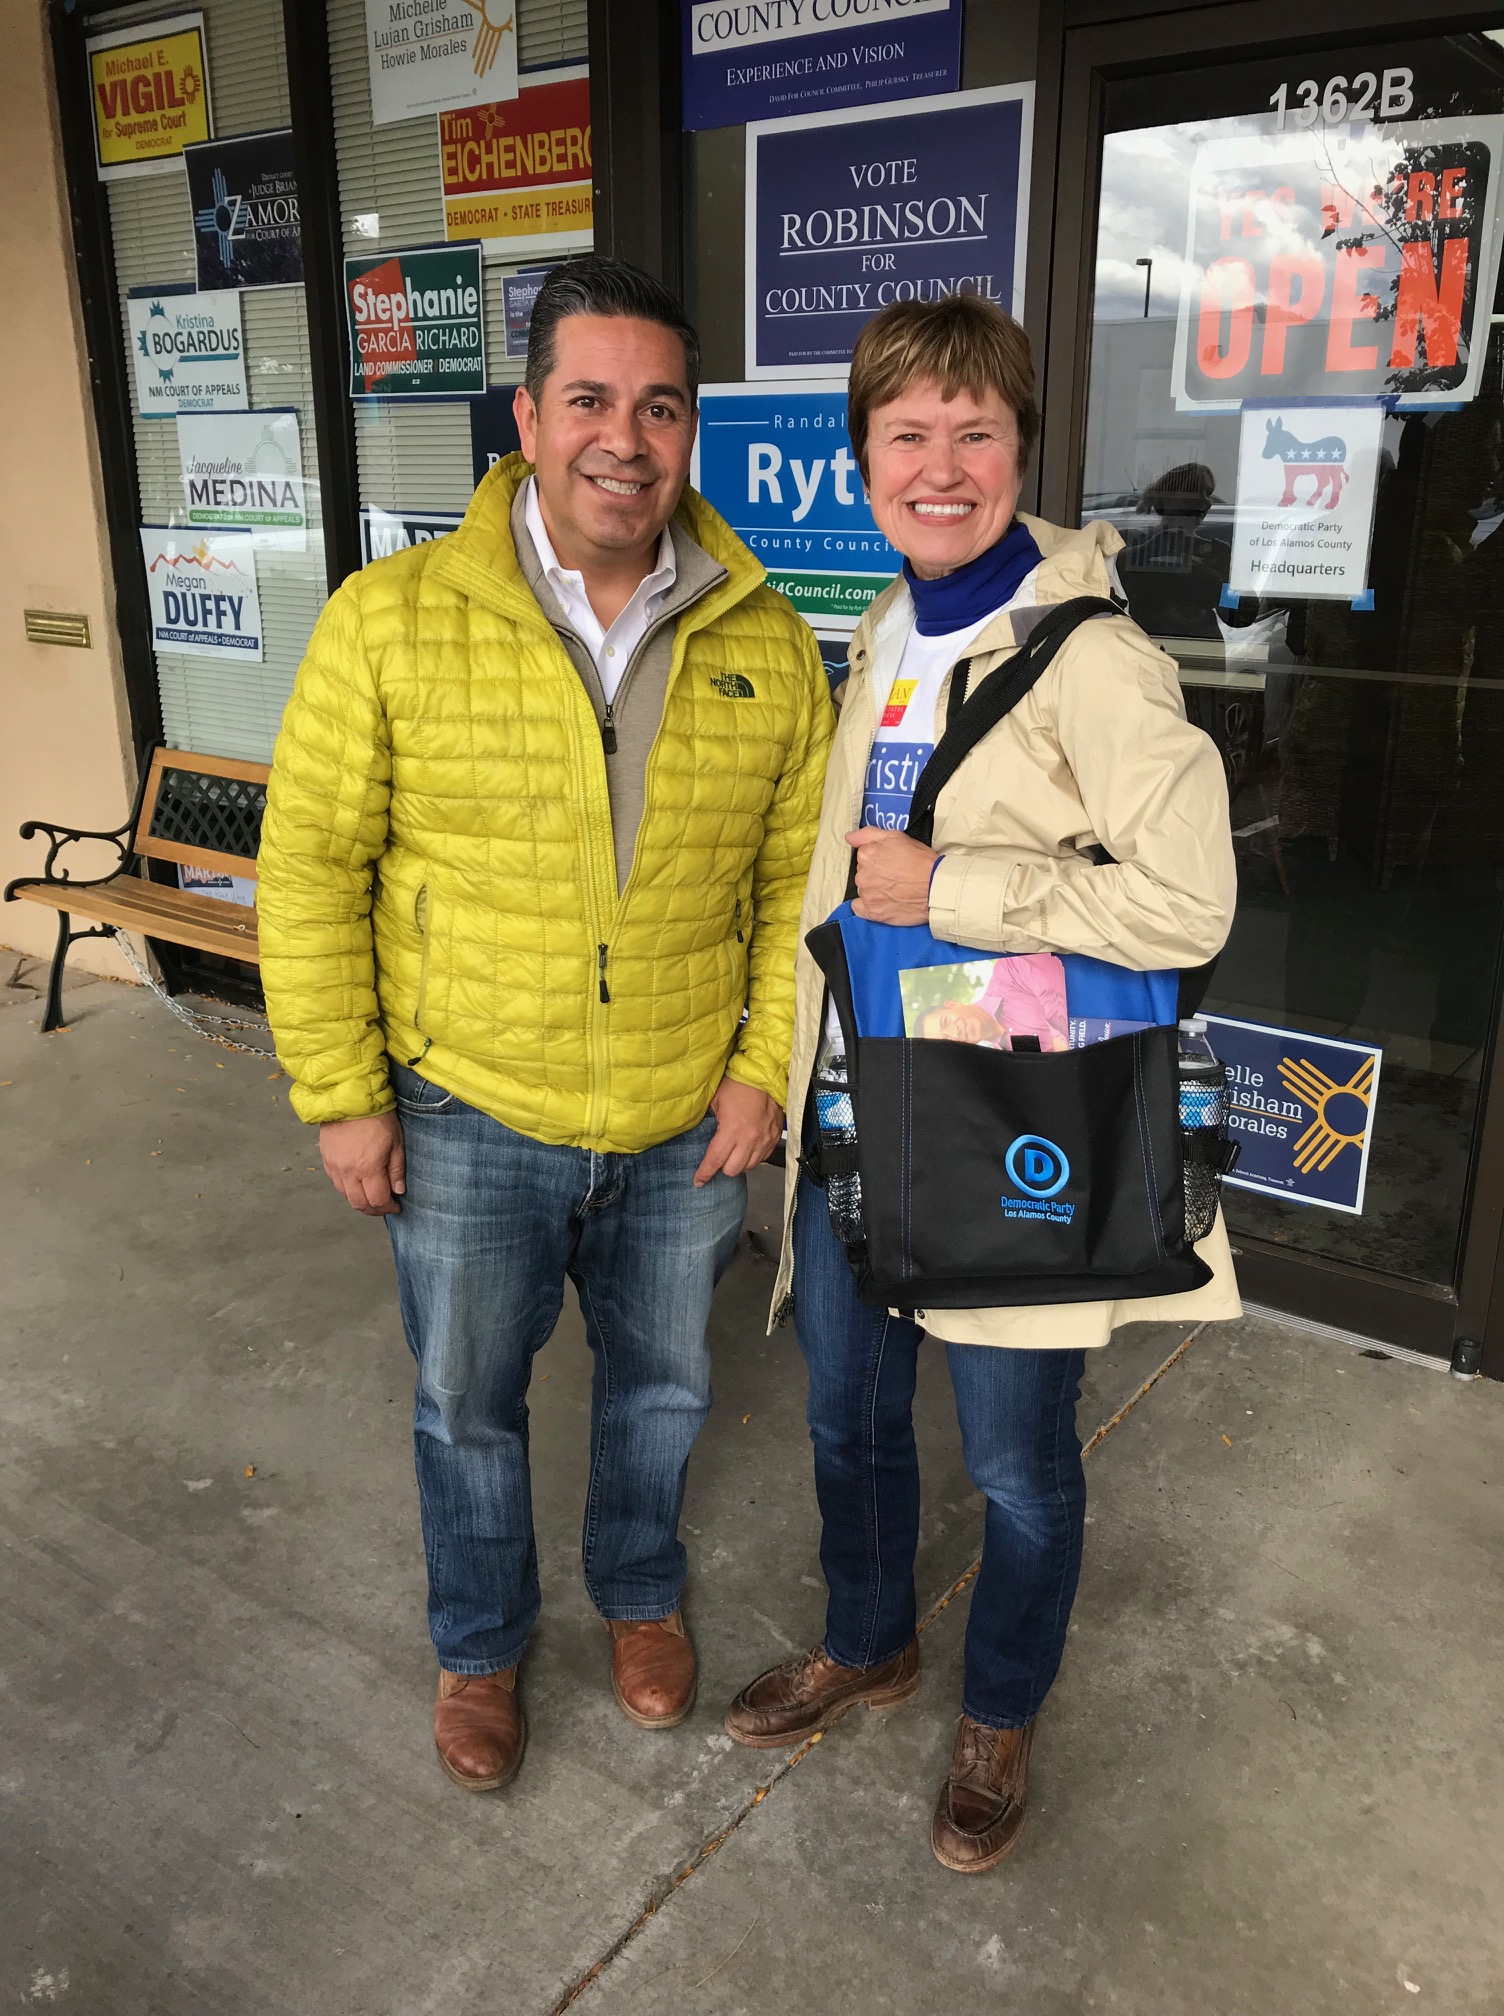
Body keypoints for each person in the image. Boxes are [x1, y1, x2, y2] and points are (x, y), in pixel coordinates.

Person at [257, 256, 833, 1793]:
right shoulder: (394, 622)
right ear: (528, 414)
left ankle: (638, 1593)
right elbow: (312, 862)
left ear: (691, 427)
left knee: (664, 1389)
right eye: (589, 399)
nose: (623, 440)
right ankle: (481, 1640)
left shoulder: (764, 641)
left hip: (674, 1115)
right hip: (465, 1106)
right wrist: (343, 1090)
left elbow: (795, 888)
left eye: (658, 406)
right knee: (466, 1405)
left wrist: (763, 1065)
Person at [723, 296, 1239, 1871]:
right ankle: (871, 1641)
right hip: (857, 1117)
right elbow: (831, 885)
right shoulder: (885, 630)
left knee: (1017, 1466)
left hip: (1016, 1128)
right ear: (865, 451)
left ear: (1022, 450)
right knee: (849, 1421)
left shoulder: (1094, 657)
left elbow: (1191, 904)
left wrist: (954, 889)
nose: (939, 466)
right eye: (906, 434)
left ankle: (1000, 1709)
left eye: (975, 433)